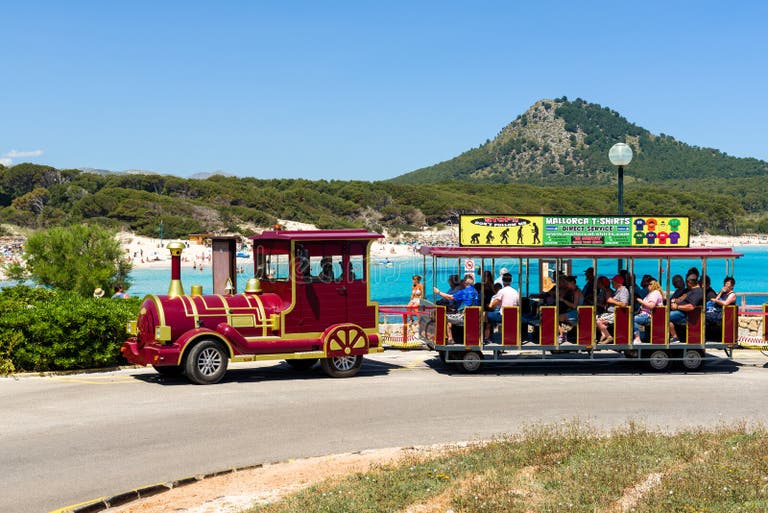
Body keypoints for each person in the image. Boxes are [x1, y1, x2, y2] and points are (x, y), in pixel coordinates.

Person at [669, 273, 704, 342]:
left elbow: (691, 306)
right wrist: (674, 301)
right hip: (680, 311)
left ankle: (675, 337)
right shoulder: (690, 290)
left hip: (687, 315)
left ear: (689, 282)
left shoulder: (698, 292)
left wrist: (677, 306)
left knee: (665, 317)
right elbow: (681, 298)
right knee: (664, 315)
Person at [485, 273, 520, 341]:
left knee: (488, 315)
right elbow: (519, 304)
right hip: (514, 316)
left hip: (504, 316)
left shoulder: (501, 291)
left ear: (503, 281)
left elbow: (494, 303)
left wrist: (489, 306)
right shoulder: (516, 292)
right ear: (511, 281)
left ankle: (487, 337)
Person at [596, 275, 629, 343]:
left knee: (599, 321)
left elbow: (624, 304)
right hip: (610, 313)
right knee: (595, 318)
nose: (611, 283)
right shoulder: (617, 291)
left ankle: (608, 337)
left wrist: (611, 300)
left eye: (613, 282)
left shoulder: (623, 290)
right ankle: (604, 335)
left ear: (618, 283)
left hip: (617, 314)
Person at [633, 279, 664, 343]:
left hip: (649, 316)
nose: (647, 287)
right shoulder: (651, 293)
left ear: (652, 285)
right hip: (645, 314)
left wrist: (640, 300)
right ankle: (642, 337)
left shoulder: (655, 293)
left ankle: (637, 337)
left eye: (648, 285)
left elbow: (651, 306)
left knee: (632, 320)